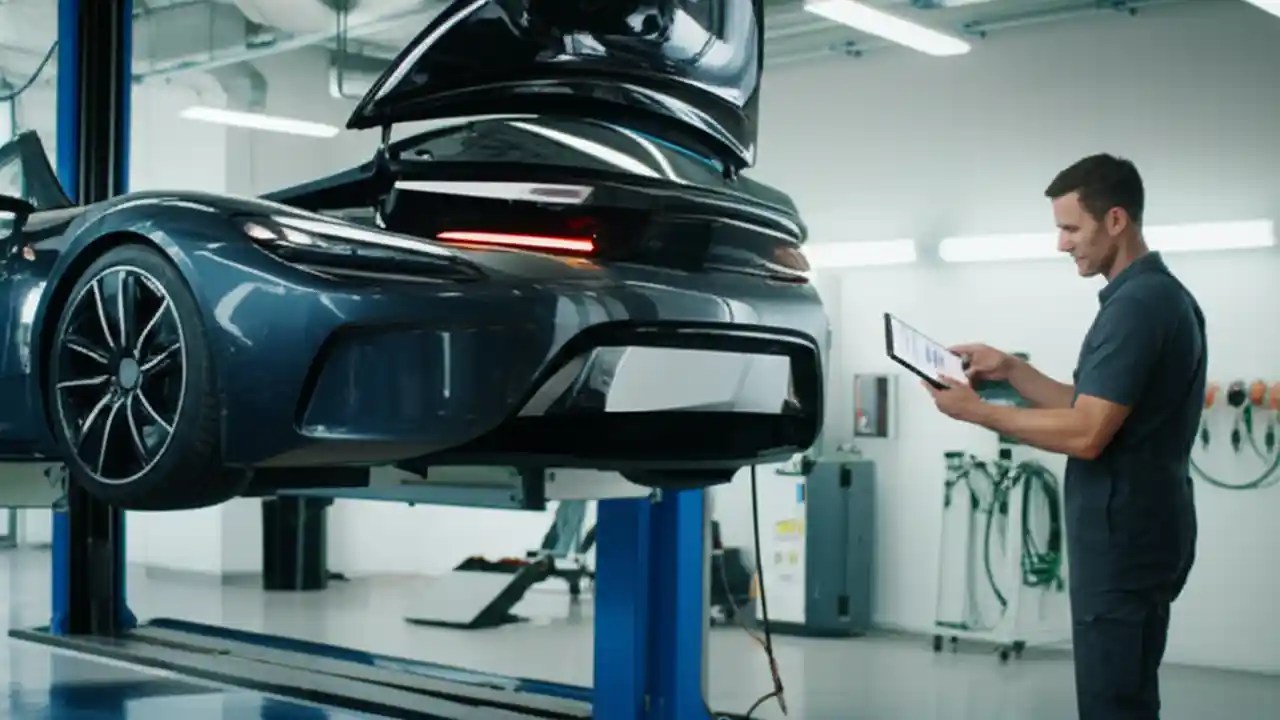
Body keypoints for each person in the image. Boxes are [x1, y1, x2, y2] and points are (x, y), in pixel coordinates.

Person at [922, 154, 1203, 720]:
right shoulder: (1153, 297)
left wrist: (979, 413)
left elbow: (1088, 432)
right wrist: (1012, 370)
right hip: (1140, 534)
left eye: (1072, 228)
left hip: (1123, 542)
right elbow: (1091, 405)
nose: (1061, 244)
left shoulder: (1138, 305)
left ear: (1116, 220)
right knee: (1124, 696)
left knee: (1112, 705)